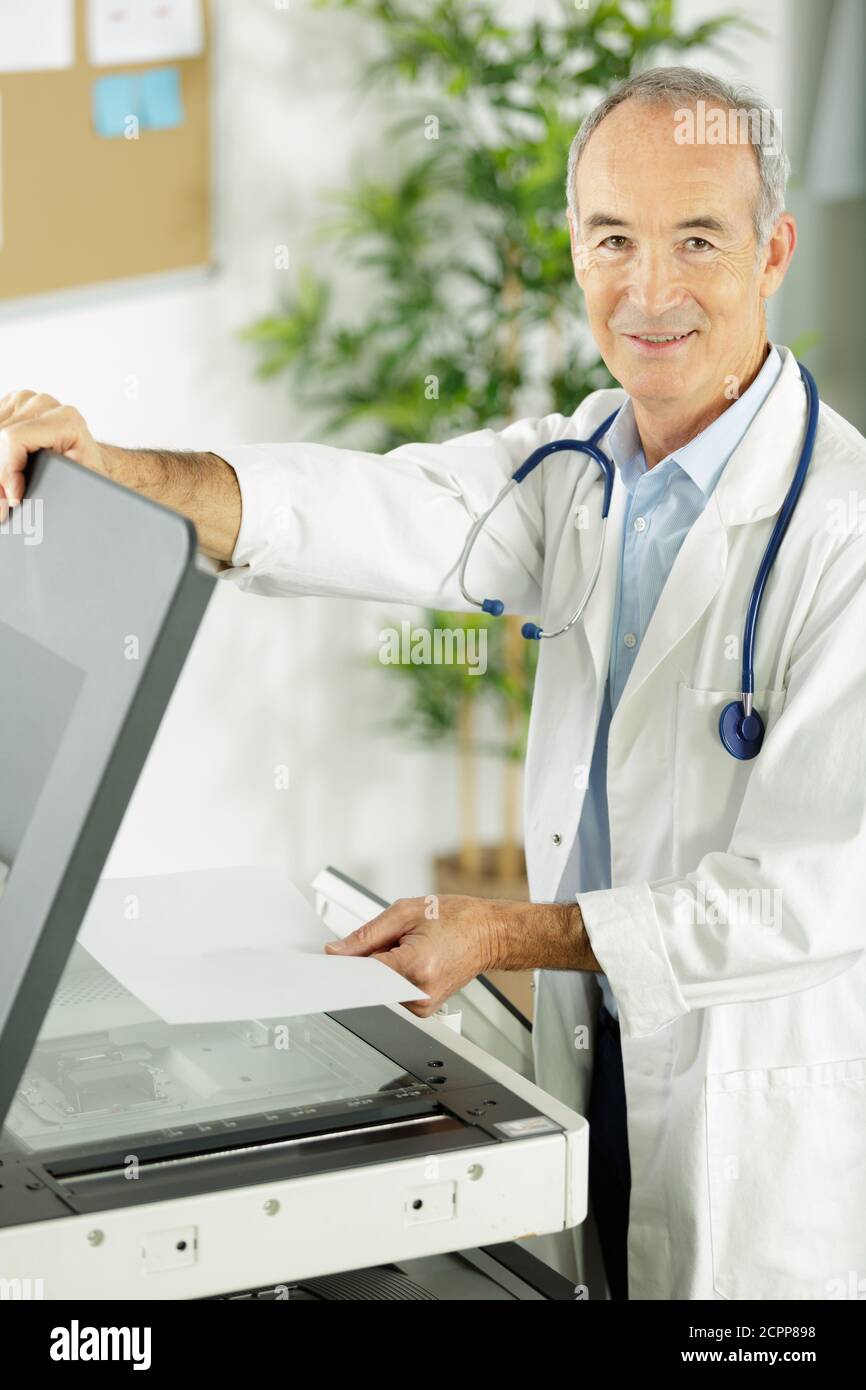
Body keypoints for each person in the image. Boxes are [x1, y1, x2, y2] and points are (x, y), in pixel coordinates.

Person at [2, 66, 865, 1302]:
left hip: (760, 1128)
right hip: (598, 1067)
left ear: (772, 249)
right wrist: (122, 469)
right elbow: (367, 508)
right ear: (573, 247)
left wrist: (505, 932)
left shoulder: (843, 532)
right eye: (611, 238)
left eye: (697, 240)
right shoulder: (574, 474)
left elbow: (800, 902)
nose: (649, 289)